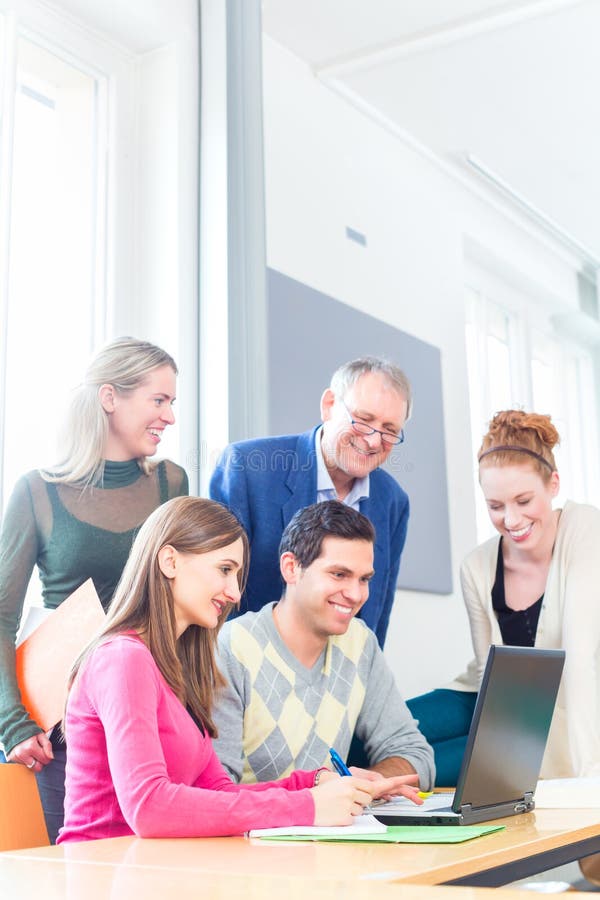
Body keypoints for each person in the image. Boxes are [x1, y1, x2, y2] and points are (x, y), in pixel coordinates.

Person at [57, 497, 422, 842]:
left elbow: (218, 792)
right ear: (169, 561)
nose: (234, 592)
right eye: (224, 570)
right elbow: (149, 807)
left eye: (237, 574)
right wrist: (307, 806)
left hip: (156, 869)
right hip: (103, 873)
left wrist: (313, 782)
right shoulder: (122, 658)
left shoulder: (174, 668)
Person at [0, 337, 189, 842]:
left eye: (173, 402)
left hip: (148, 712)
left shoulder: (173, 484)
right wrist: (11, 722)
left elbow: (182, 598)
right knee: (71, 874)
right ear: (111, 398)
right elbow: (1, 617)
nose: (170, 416)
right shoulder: (37, 491)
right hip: (61, 729)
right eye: (159, 400)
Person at [408, 409, 600, 785]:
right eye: (496, 506)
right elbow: (487, 674)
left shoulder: (586, 530)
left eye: (523, 500)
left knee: (419, 769)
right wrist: (496, 741)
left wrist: (590, 780)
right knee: (377, 736)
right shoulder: (477, 567)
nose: (511, 520)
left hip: (568, 708)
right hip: (497, 700)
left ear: (553, 484)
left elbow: (578, 664)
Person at [212, 501, 435, 789]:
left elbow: (415, 754)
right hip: (255, 833)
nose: (355, 594)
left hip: (333, 831)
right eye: (339, 574)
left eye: (364, 579)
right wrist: (319, 793)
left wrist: (369, 784)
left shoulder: (360, 643)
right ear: (291, 568)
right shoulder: (231, 648)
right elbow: (215, 790)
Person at [210, 357, 411, 648]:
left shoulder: (393, 501)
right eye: (363, 420)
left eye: (389, 430)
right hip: (245, 671)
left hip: (338, 684)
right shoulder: (247, 469)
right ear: (329, 405)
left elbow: (376, 621)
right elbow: (215, 593)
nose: (373, 441)